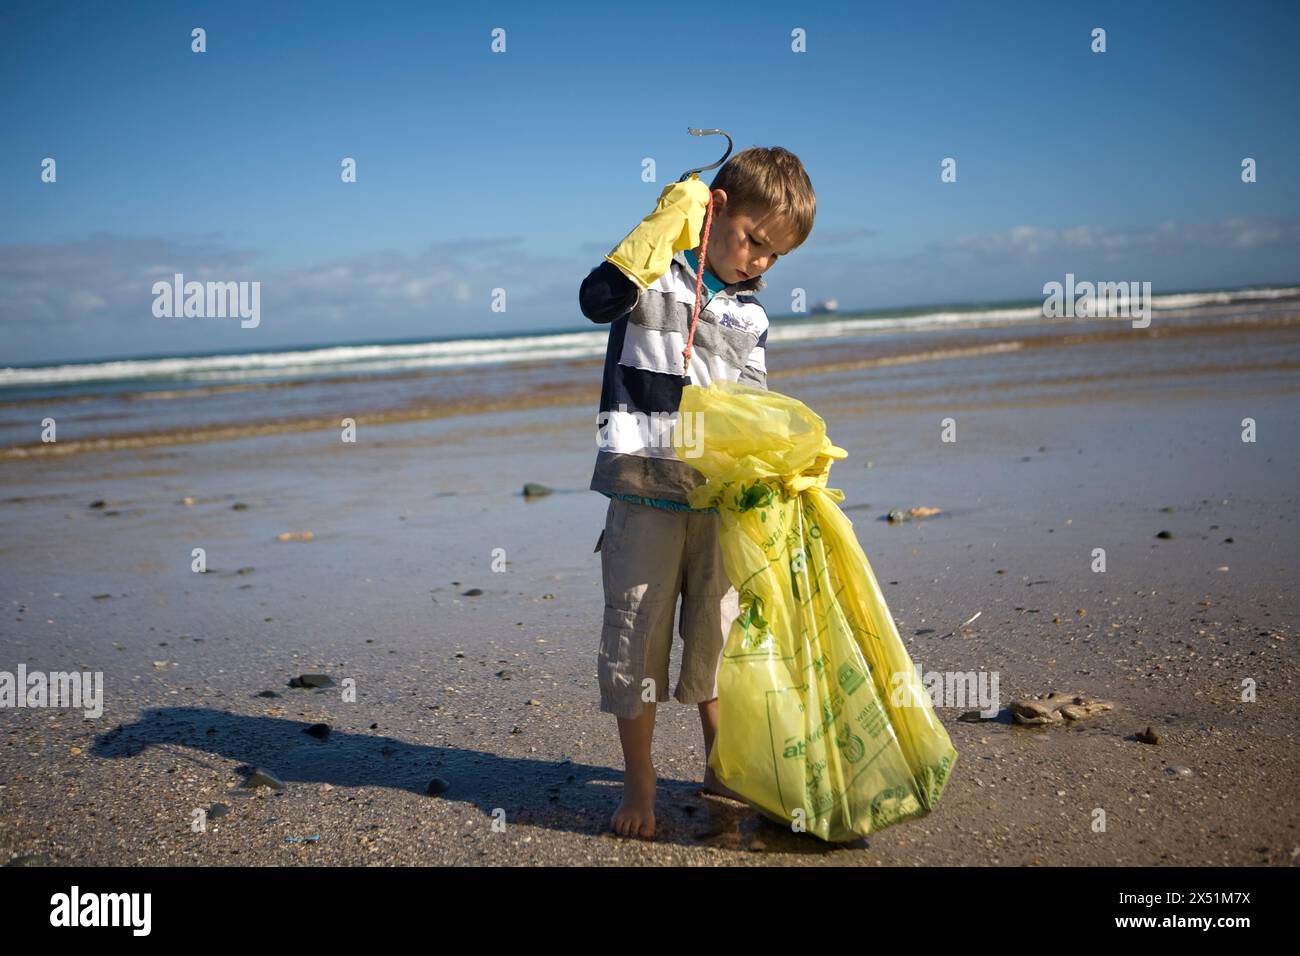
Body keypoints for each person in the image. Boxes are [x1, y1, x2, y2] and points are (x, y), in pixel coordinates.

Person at [578, 145, 816, 838]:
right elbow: (596, 299)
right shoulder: (652, 272)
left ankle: (723, 766)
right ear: (716, 209)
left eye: (775, 255)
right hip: (642, 489)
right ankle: (640, 777)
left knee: (721, 638)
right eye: (753, 240)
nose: (759, 261)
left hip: (718, 499)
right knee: (636, 637)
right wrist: (663, 224)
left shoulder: (751, 316)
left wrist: (780, 469)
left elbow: (754, 406)